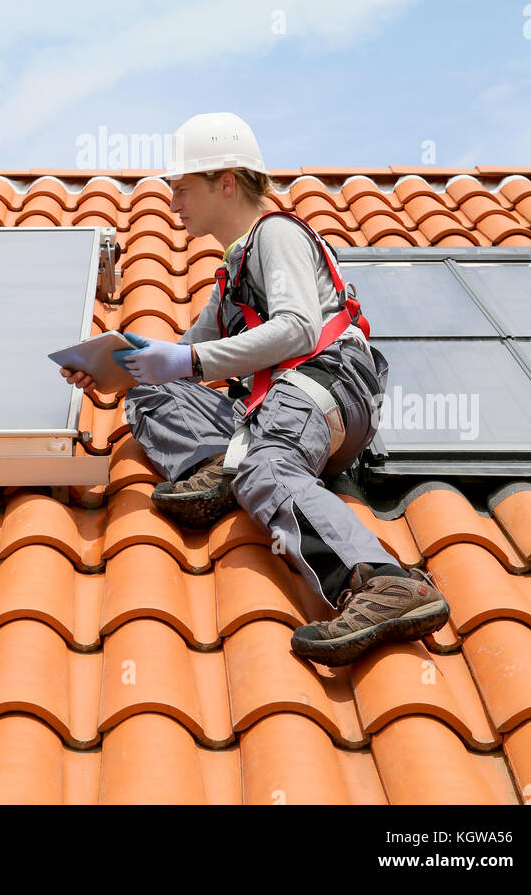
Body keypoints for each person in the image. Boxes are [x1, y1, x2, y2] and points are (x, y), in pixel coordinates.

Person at [61, 112, 449, 666]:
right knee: (150, 393)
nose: (173, 204)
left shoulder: (278, 234)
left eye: (183, 188)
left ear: (226, 181)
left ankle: (382, 581)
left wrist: (187, 360)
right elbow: (178, 363)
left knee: (266, 467)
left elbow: (297, 329)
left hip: (325, 388)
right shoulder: (232, 274)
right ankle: (221, 466)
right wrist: (113, 371)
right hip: (277, 406)